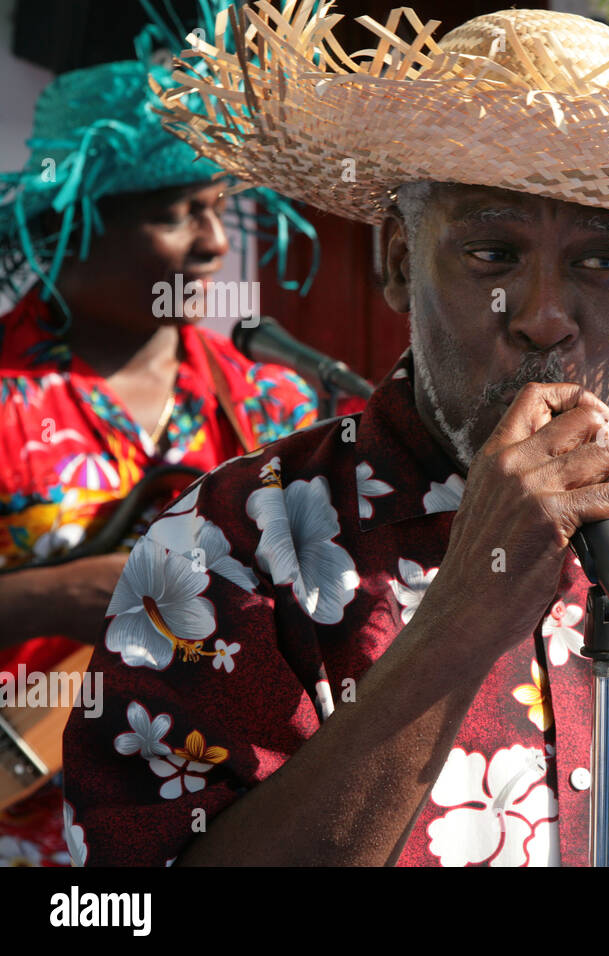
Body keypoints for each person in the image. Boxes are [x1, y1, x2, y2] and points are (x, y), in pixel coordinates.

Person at [61, 4, 609, 867]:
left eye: (601, 262)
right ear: (398, 260)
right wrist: (465, 616)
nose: (547, 317)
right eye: (493, 255)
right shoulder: (225, 552)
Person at [0, 41, 320, 864]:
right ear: (69, 225)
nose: (215, 243)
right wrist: (49, 597)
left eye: (220, 208)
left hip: (218, 828)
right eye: (178, 212)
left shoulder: (273, 403)